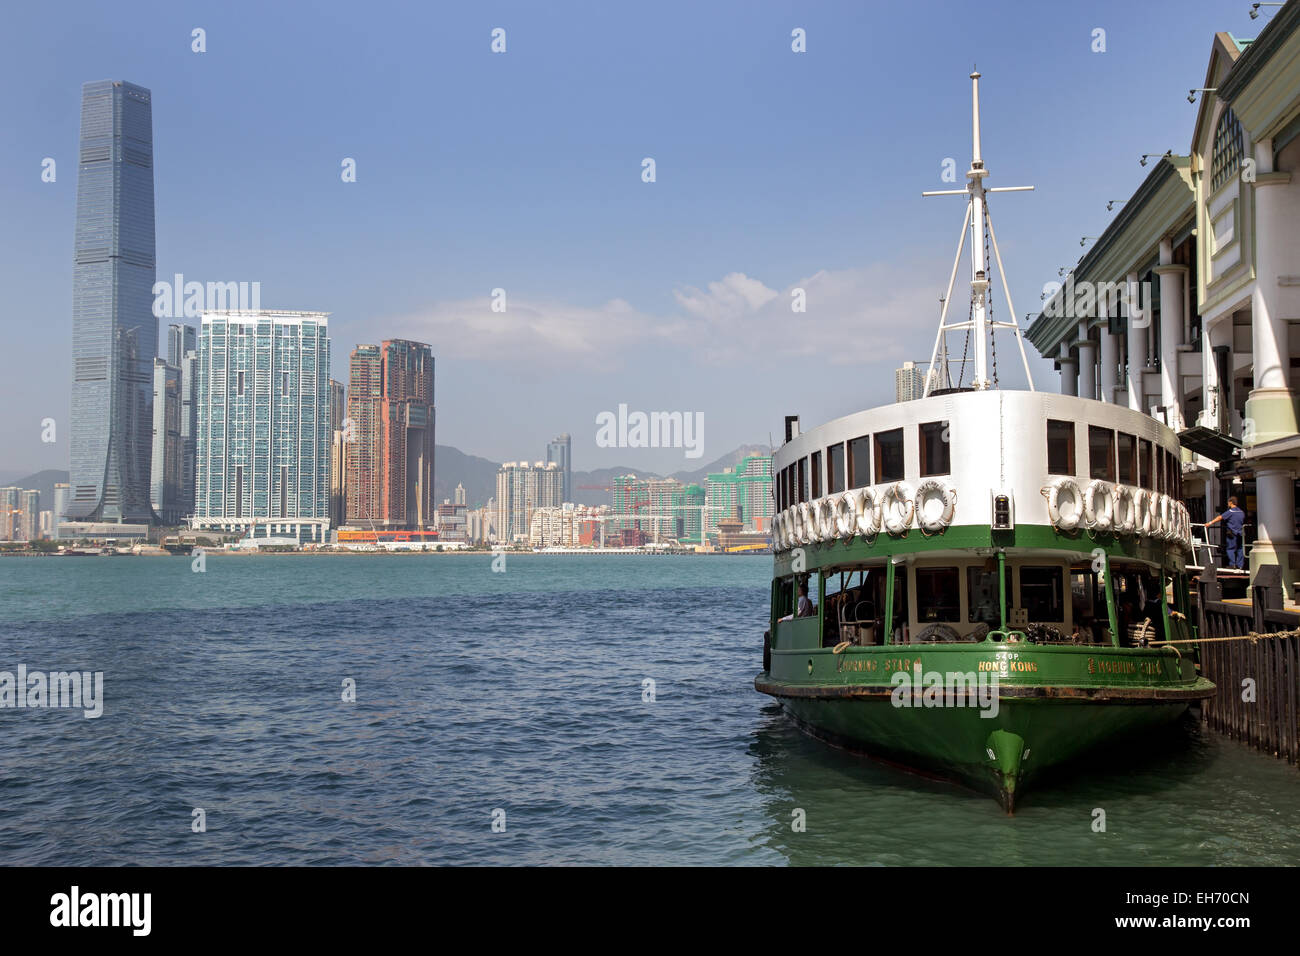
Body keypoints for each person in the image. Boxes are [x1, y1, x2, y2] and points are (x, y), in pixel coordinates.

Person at [1205, 496, 1246, 570]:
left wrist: (1210, 523)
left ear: (1231, 502)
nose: (1227, 504)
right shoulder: (1241, 512)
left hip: (1232, 534)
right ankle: (1240, 565)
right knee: (1240, 549)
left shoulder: (1231, 512)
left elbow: (1220, 517)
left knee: (1230, 549)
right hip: (1240, 534)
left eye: (1228, 502)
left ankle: (1232, 564)